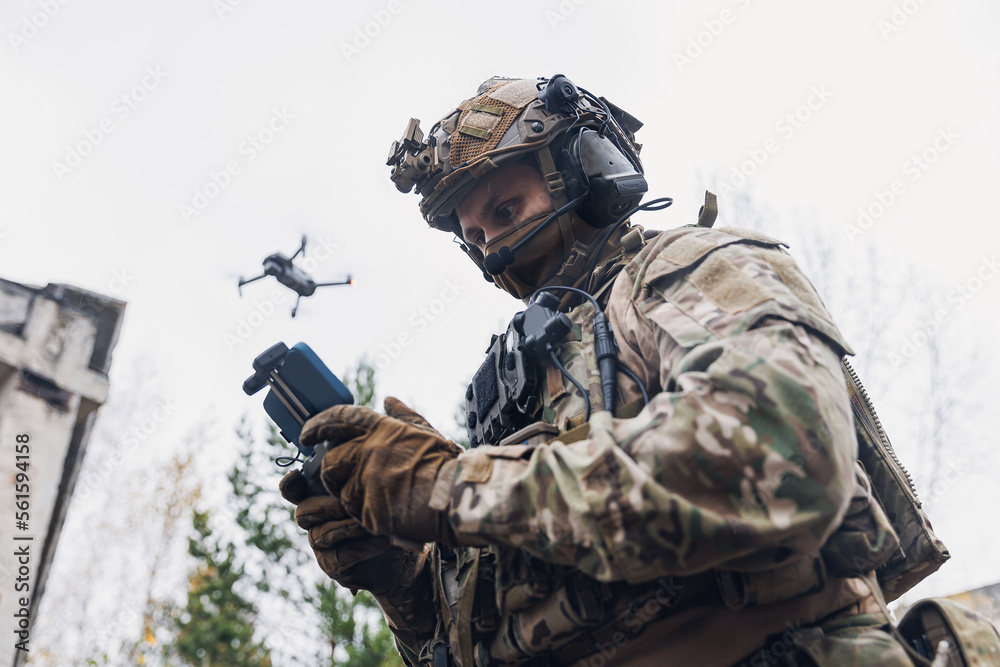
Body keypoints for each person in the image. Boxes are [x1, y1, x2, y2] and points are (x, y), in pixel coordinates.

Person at [279, 76, 934, 666]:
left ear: (588, 170)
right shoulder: (533, 386)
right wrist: (408, 577)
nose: (494, 251)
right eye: (475, 239)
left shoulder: (686, 268)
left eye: (505, 212)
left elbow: (785, 457)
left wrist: (451, 486)